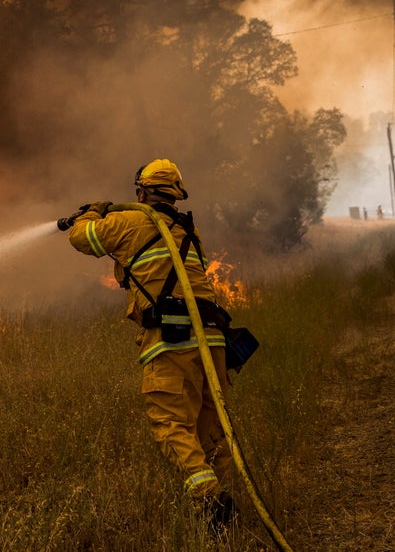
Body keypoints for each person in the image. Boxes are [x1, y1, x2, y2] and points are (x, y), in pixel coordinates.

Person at [65, 159, 237, 530]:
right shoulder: (189, 229)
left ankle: (208, 501)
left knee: (171, 422)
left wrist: (89, 213)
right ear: (176, 194)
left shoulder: (128, 221)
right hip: (212, 339)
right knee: (214, 427)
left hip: (169, 340)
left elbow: (83, 238)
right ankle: (227, 499)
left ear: (141, 193)